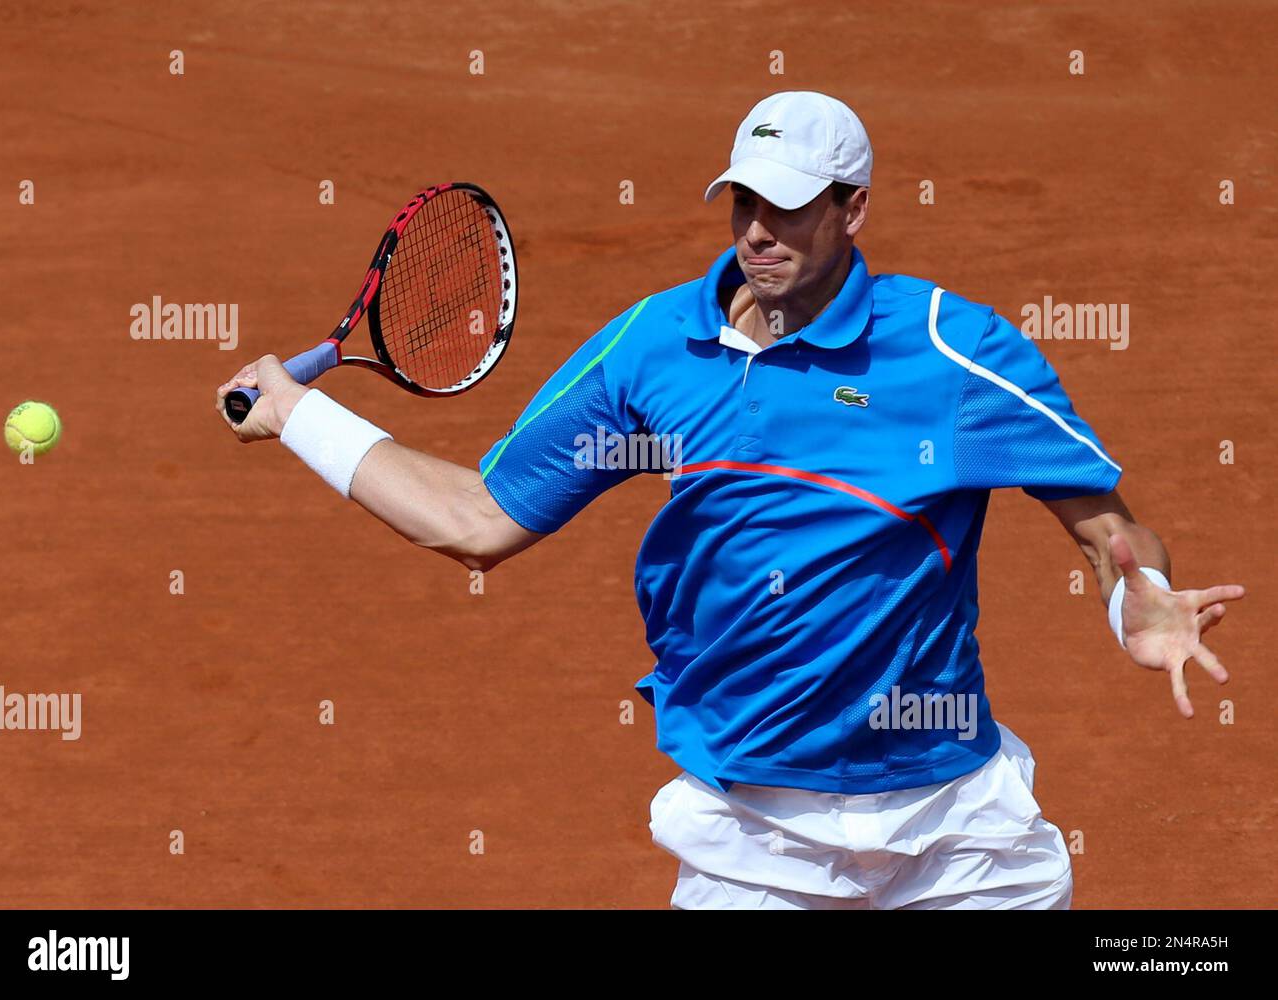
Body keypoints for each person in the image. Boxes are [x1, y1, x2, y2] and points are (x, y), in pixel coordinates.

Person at [217, 91, 1245, 909]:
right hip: (752, 841)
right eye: (743, 203)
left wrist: (1138, 594)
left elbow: (1101, 522)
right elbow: (477, 519)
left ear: (852, 210)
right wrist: (302, 416)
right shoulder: (657, 356)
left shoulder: (950, 350)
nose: (759, 231)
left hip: (956, 834)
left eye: (790, 207)